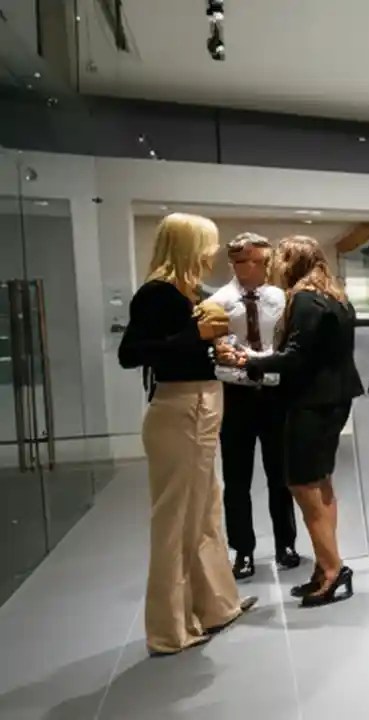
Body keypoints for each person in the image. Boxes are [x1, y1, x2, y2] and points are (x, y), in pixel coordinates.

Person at [117, 212, 256, 656]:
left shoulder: (188, 291)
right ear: (187, 244)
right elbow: (131, 353)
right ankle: (169, 629)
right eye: (208, 243)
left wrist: (215, 347)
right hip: (179, 407)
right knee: (176, 518)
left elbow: (186, 345)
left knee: (204, 511)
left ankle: (216, 605)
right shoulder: (156, 294)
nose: (213, 252)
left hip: (202, 400)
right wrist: (192, 334)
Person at [233, 236, 363, 607]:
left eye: (278, 259)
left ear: (292, 262)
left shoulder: (304, 298)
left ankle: (334, 570)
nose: (273, 266)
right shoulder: (335, 295)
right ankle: (326, 567)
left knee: (303, 486)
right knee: (320, 483)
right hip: (334, 401)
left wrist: (250, 361)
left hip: (312, 403)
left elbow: (295, 358)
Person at [207, 233, 299, 580]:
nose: (250, 268)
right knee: (236, 478)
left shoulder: (280, 298)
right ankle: (242, 550)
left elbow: (287, 343)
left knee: (281, 474)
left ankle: (285, 543)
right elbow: (213, 348)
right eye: (242, 261)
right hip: (235, 395)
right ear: (232, 262)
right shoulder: (219, 300)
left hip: (273, 393)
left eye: (258, 261)